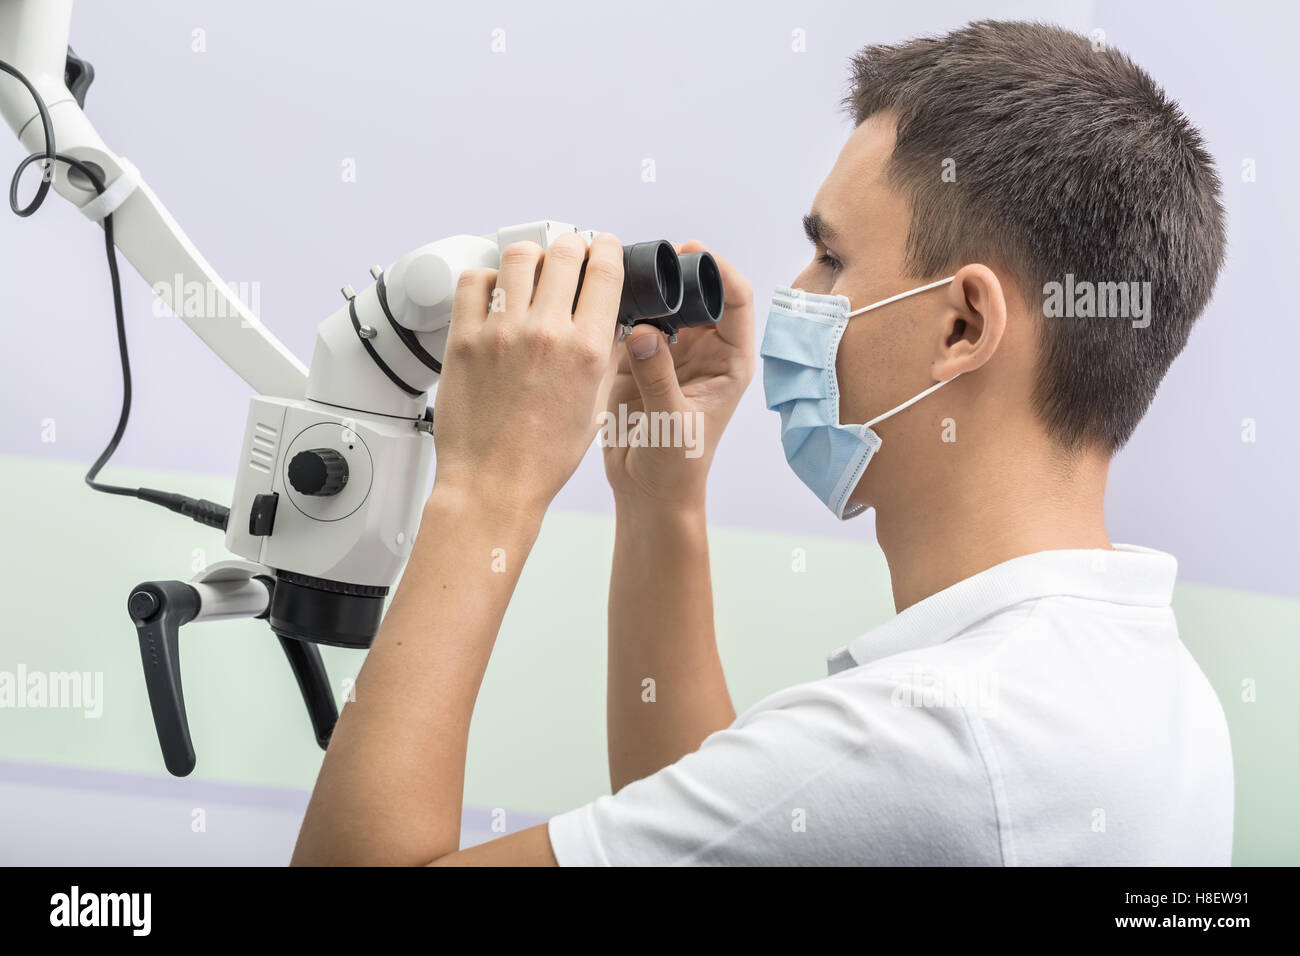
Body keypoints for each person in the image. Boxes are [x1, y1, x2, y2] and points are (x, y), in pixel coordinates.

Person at [291, 20, 1232, 866]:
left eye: (831, 256)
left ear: (962, 327)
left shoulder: (941, 740)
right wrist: (663, 504)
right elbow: (729, 825)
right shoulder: (1153, 693)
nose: (797, 290)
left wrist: (485, 485)